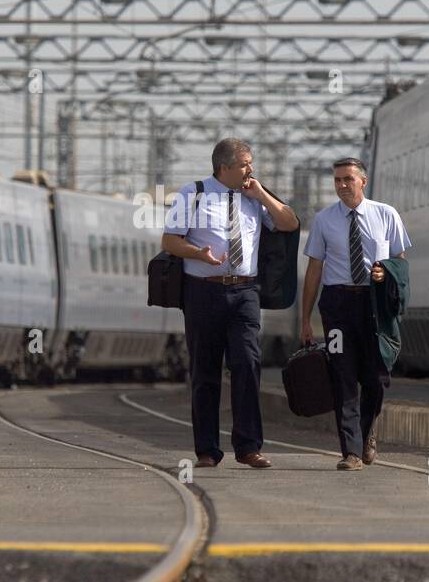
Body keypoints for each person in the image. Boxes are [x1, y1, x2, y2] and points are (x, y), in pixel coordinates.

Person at [162, 138, 299, 468]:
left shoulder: (254, 196)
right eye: (244, 164)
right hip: (204, 291)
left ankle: (249, 446)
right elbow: (169, 240)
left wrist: (262, 194)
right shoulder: (192, 193)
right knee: (205, 371)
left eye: (251, 163)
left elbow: (289, 223)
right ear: (224, 167)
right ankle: (207, 450)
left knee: (247, 363)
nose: (250, 169)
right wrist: (198, 254)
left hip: (245, 293)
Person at [300, 157, 411, 470]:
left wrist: (384, 273)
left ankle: (367, 433)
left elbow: (400, 262)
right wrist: (305, 319)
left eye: (348, 179)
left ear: (363, 181)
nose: (342, 185)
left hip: (374, 305)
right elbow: (314, 270)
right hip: (337, 306)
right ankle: (350, 451)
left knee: (376, 376)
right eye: (337, 180)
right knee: (342, 373)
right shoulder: (324, 220)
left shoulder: (385, 215)